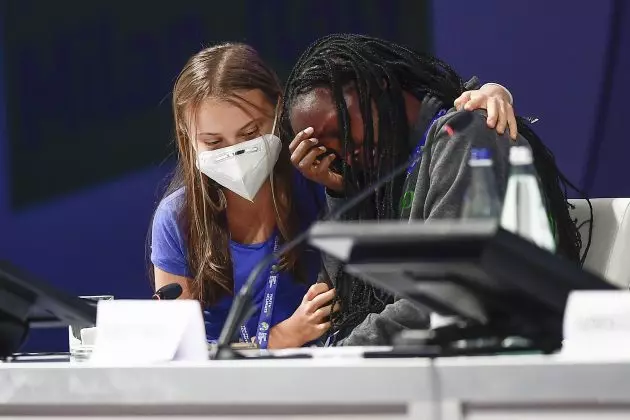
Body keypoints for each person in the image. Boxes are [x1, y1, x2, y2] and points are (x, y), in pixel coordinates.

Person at [281, 34, 586, 346]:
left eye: (341, 130)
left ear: (376, 86)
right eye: (328, 149)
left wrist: (339, 358)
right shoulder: (382, 176)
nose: (345, 152)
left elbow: (450, 292)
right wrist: (342, 193)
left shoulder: (463, 135)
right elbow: (342, 306)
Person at [150, 43, 336, 348]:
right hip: (221, 389)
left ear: (279, 111)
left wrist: (337, 192)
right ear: (188, 136)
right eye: (213, 141)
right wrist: (279, 338)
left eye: (249, 134)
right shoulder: (175, 218)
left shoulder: (318, 187)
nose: (234, 153)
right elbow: (181, 351)